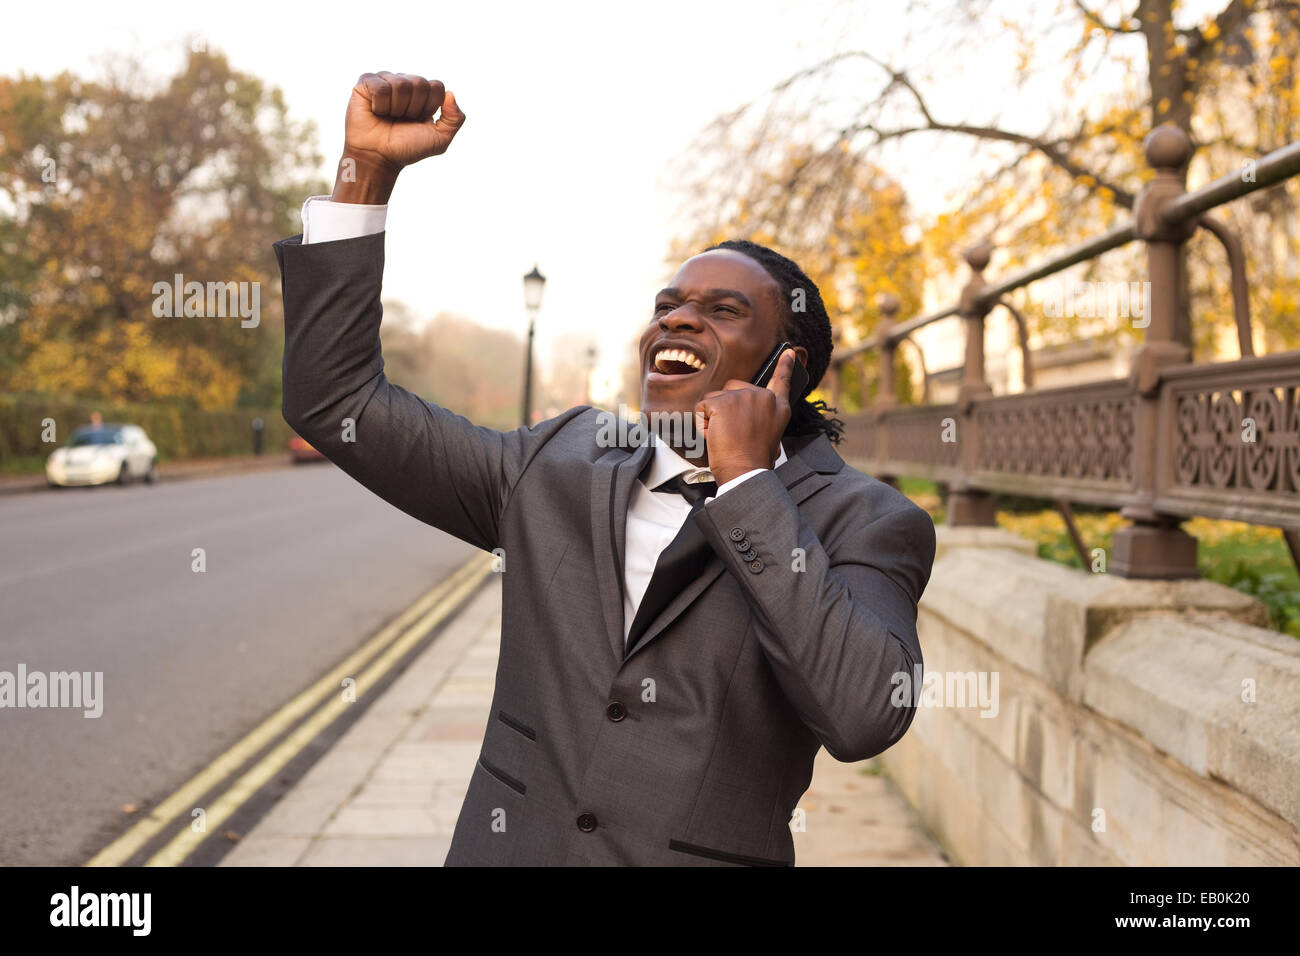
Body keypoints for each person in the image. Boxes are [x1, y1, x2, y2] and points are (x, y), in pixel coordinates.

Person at [276, 72, 936, 866]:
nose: (678, 318)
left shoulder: (867, 522)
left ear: (785, 368)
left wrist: (749, 487)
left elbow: (865, 714)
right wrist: (365, 177)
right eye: (668, 306)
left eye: (724, 310)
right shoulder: (555, 465)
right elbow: (334, 400)